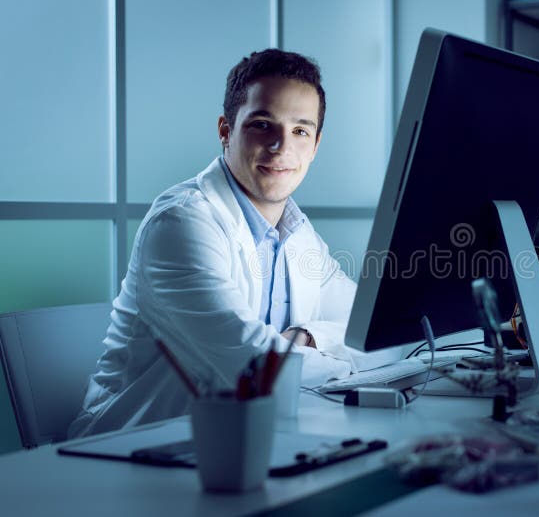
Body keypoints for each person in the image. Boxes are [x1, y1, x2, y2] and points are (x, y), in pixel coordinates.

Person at [69, 49, 360, 438]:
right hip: (129, 448)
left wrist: (308, 337)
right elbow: (255, 368)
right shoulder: (181, 223)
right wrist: (348, 362)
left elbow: (370, 325)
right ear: (226, 130)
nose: (281, 147)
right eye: (262, 125)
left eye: (300, 131)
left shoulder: (297, 232)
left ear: (316, 146)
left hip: (244, 440)